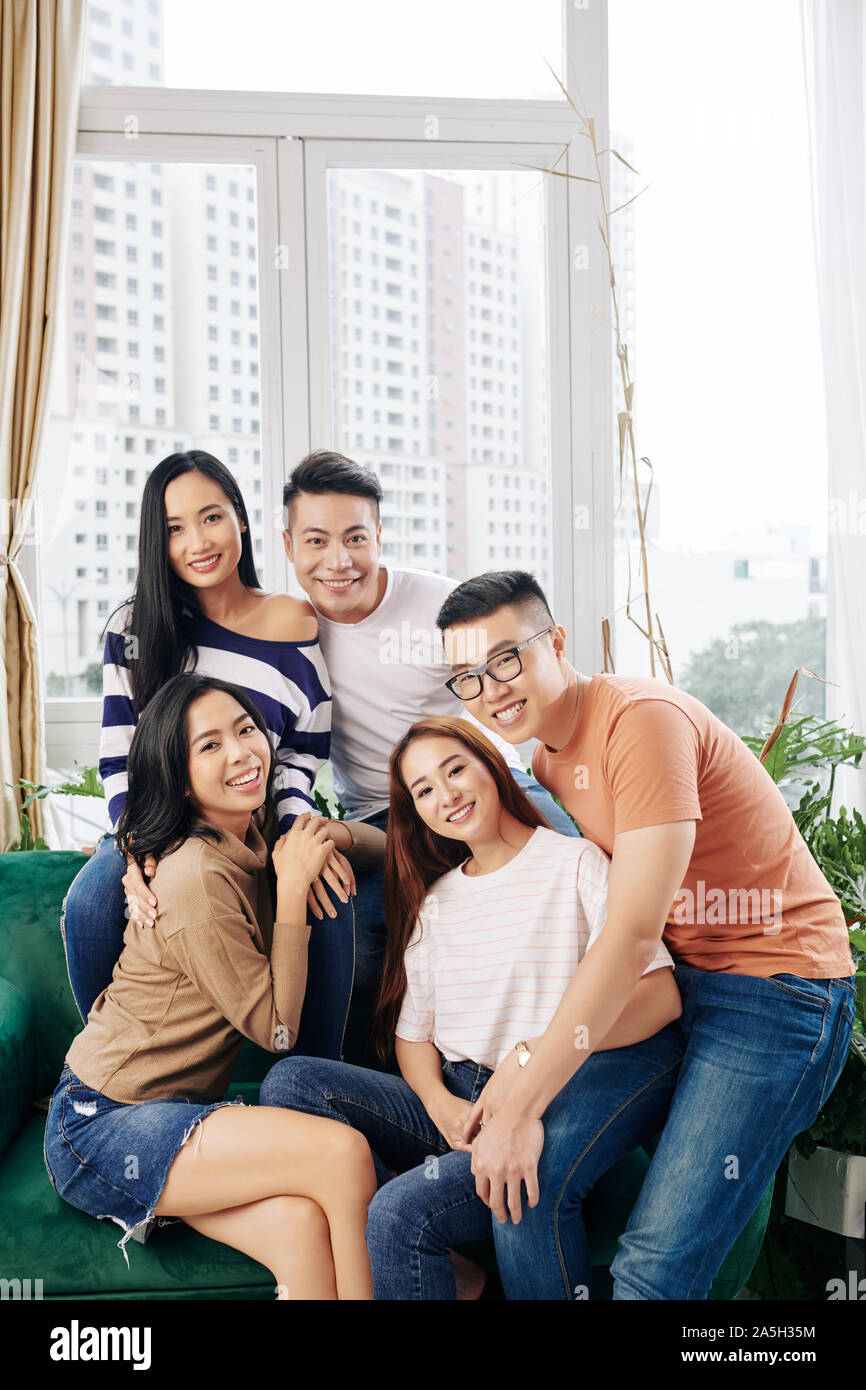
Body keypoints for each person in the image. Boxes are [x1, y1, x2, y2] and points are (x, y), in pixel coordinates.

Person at [432, 568, 857, 1300]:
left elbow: (629, 934)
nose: (491, 689)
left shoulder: (640, 721)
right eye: (466, 677)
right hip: (677, 988)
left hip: (779, 993)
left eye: (505, 659)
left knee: (652, 1272)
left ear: (556, 642)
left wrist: (526, 1090)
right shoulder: (546, 758)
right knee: (524, 1185)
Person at [258, 716, 679, 1299]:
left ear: (492, 766)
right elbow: (414, 1038)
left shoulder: (575, 864)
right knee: (292, 1083)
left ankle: (438, 1232)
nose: (447, 794)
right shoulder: (435, 901)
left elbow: (659, 997)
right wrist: (440, 1106)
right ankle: (456, 1256)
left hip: (543, 1103)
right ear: (416, 811)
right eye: (424, 789)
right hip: (458, 1105)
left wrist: (530, 1058)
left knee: (401, 1215)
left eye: (455, 769)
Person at [44, 674, 380, 1299]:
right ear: (178, 773)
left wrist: (324, 836)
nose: (241, 752)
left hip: (168, 1112)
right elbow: (277, 1031)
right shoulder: (194, 875)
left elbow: (382, 850)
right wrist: (293, 895)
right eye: (209, 746)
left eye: (246, 729)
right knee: (342, 1156)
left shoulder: (250, 837)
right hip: (100, 1123)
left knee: (301, 1224)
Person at [61, 450, 367, 1061]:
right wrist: (137, 848)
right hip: (154, 824)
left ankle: (314, 1081)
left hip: (250, 830)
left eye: (211, 517)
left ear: (241, 521)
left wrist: (299, 836)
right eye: (174, 528)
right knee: (92, 903)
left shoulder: (292, 628)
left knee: (327, 898)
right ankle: (116, 1062)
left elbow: (297, 762)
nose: (197, 542)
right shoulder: (134, 626)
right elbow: (120, 755)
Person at [281, 449, 581, 1034]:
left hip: (485, 778)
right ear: (290, 544)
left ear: (379, 537)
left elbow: (517, 684)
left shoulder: (438, 607)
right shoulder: (287, 631)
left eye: (356, 538)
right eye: (316, 541)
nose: (339, 561)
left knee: (572, 868)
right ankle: (398, 1093)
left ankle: (597, 1039)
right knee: (361, 941)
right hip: (381, 814)